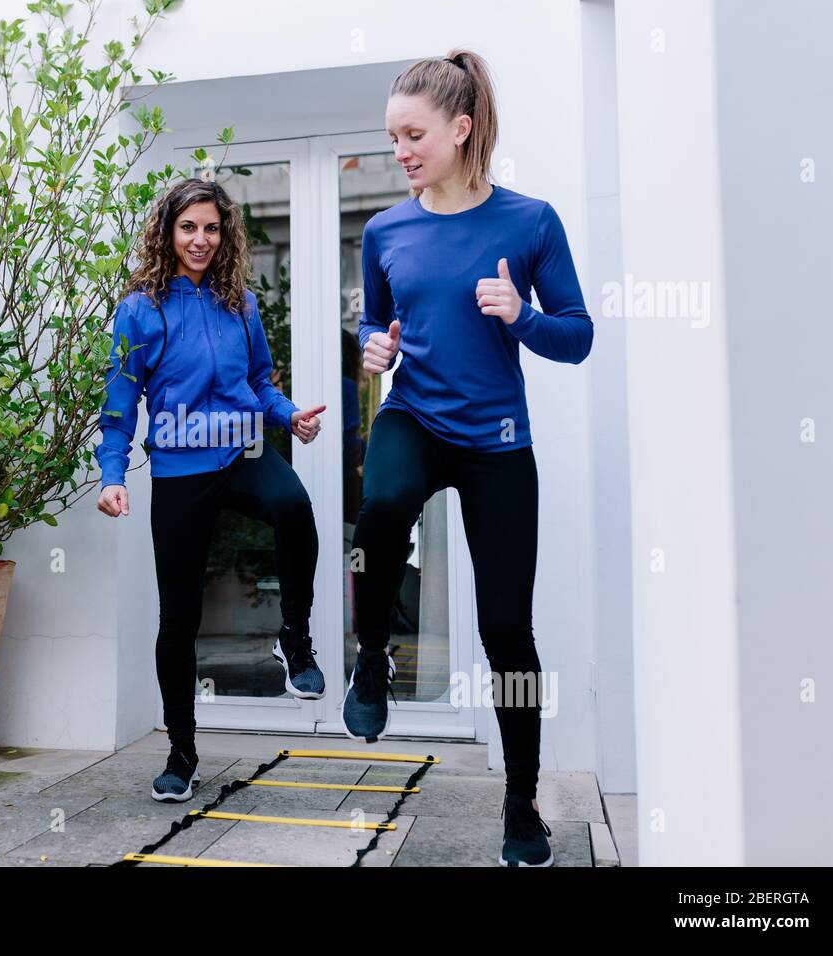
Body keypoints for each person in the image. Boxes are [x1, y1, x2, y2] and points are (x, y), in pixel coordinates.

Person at [345, 50, 594, 866]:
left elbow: (579, 335)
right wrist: (372, 348)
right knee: (380, 508)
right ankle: (373, 658)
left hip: (496, 441)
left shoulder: (530, 222)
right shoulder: (385, 229)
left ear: (461, 128)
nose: (402, 151)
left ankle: (522, 802)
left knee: (505, 631)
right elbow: (372, 325)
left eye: (413, 134)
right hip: (413, 414)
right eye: (393, 138)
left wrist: (521, 314)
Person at [95, 177, 328, 802]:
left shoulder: (239, 302)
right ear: (168, 233)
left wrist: (288, 417)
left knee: (294, 508)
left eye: (212, 228)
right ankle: (181, 751)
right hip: (179, 469)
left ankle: (295, 639)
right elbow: (119, 404)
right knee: (179, 619)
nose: (201, 240)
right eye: (188, 227)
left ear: (225, 236)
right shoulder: (139, 309)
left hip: (242, 448)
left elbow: (258, 380)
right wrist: (111, 476)